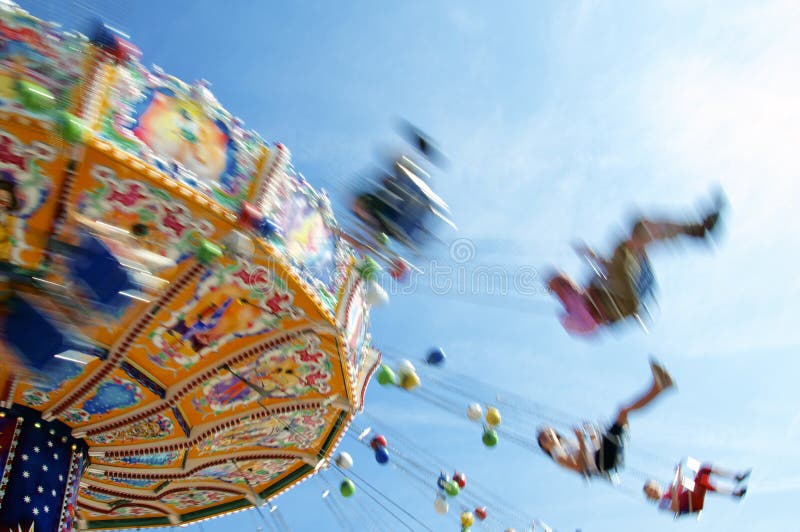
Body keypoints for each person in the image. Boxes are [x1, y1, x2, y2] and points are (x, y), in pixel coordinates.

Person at [548, 194, 725, 336]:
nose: (568, 282)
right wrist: (584, 301)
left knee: (639, 228)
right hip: (617, 305)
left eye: (565, 279)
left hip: (631, 286)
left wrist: (592, 255)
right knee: (621, 249)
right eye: (562, 283)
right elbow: (588, 326)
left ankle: (697, 229)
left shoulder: (588, 285)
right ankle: (693, 231)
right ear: (558, 290)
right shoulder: (570, 311)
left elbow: (613, 267)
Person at [537, 360, 674, 477]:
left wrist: (592, 435)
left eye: (549, 433)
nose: (548, 437)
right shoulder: (558, 455)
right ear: (544, 448)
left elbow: (594, 448)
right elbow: (580, 467)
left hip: (603, 455)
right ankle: (658, 387)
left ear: (556, 434)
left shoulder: (567, 444)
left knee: (623, 413)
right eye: (544, 438)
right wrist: (581, 440)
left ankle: (660, 387)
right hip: (603, 461)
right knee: (623, 411)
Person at [644, 462, 750, 517]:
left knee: (704, 471)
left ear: (657, 486)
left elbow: (681, 482)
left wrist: (678, 471)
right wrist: (674, 494)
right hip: (690, 504)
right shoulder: (661, 504)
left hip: (693, 496)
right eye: (650, 493)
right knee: (701, 482)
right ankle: (734, 492)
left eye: (652, 489)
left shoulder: (669, 490)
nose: (653, 492)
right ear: (650, 497)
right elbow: (675, 509)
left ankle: (736, 478)